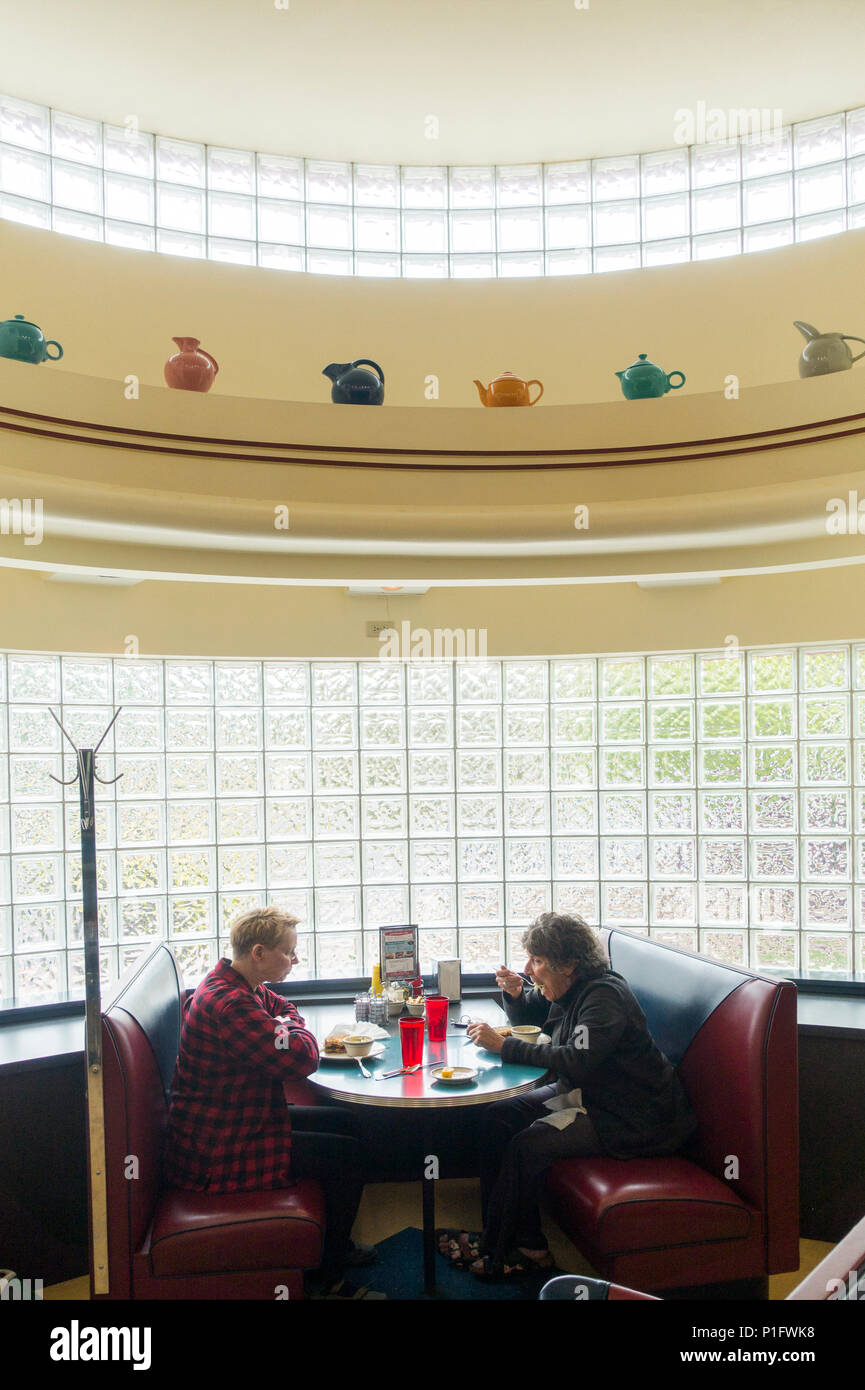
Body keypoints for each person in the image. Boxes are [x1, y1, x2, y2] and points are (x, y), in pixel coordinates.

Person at [459, 912, 698, 1280]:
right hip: (589, 1095)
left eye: (537, 962)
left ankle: (524, 1248)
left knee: (527, 1145)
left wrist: (503, 1046)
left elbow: (578, 1059)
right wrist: (519, 995)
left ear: (569, 964)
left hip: (632, 1115)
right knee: (497, 1117)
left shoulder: (604, 996)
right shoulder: (576, 988)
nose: (529, 969)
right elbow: (545, 1016)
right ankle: (500, 1234)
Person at [163, 905, 384, 1299]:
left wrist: (287, 1022)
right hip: (222, 1149)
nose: (295, 960)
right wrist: (295, 1028)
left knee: (348, 1124)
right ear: (259, 952)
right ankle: (326, 1279)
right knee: (347, 1157)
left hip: (237, 1121)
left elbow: (282, 1010)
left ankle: (335, 1247)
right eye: (288, 952)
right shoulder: (231, 1005)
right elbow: (302, 1058)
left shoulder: (232, 984)